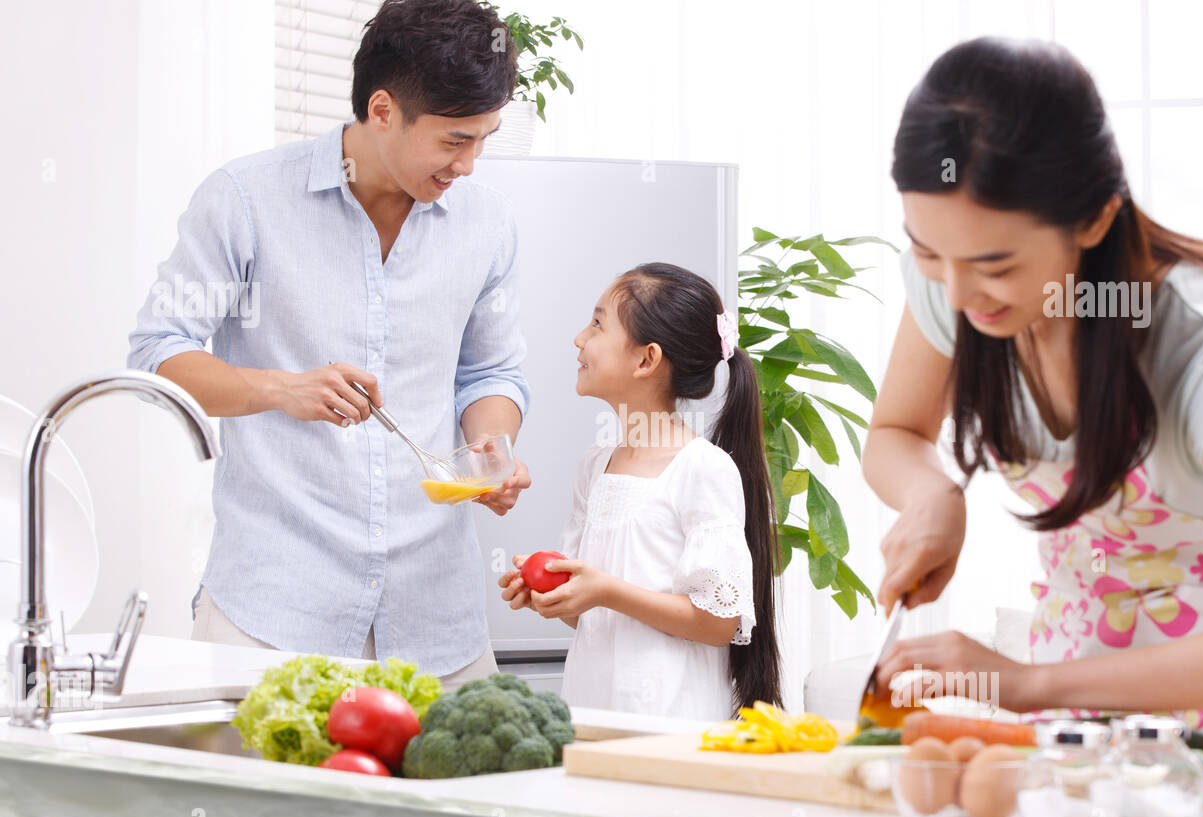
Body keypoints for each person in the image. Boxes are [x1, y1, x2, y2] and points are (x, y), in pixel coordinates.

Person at [865, 37, 1203, 754]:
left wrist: (1025, 686)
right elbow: (896, 433)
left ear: (1095, 218)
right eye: (927, 252)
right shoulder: (955, 283)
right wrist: (931, 497)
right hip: (1074, 706)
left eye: (994, 265)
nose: (959, 293)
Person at [127, 0, 531, 690]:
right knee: (259, 801)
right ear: (381, 111)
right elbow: (156, 354)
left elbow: (490, 370)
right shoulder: (245, 199)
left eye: (484, 139)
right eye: (454, 140)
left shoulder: (486, 223)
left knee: (470, 797)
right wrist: (281, 388)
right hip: (273, 608)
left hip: (438, 616)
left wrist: (490, 446)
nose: (469, 164)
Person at [497, 264, 782, 719]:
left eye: (596, 324)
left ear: (646, 360)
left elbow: (717, 621)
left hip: (669, 719)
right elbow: (586, 610)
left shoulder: (702, 469)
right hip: (593, 711)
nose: (579, 339)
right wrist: (550, 594)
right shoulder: (595, 465)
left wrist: (606, 591)